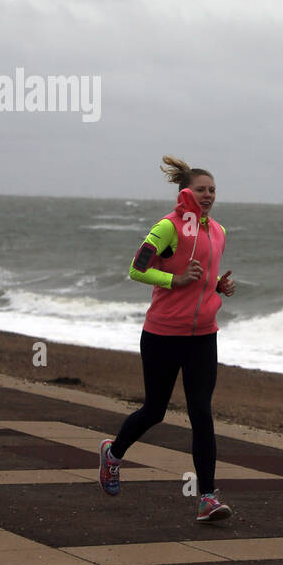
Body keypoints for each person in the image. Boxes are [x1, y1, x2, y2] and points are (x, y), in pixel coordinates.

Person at [98, 156, 236, 522]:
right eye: (201, 189)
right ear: (186, 192)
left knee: (201, 414)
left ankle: (207, 496)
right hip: (162, 334)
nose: (208, 195)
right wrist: (173, 280)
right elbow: (136, 269)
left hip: (203, 337)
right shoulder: (168, 227)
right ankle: (113, 454)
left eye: (213, 190)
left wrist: (219, 286)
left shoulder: (218, 231)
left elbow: (205, 276)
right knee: (155, 410)